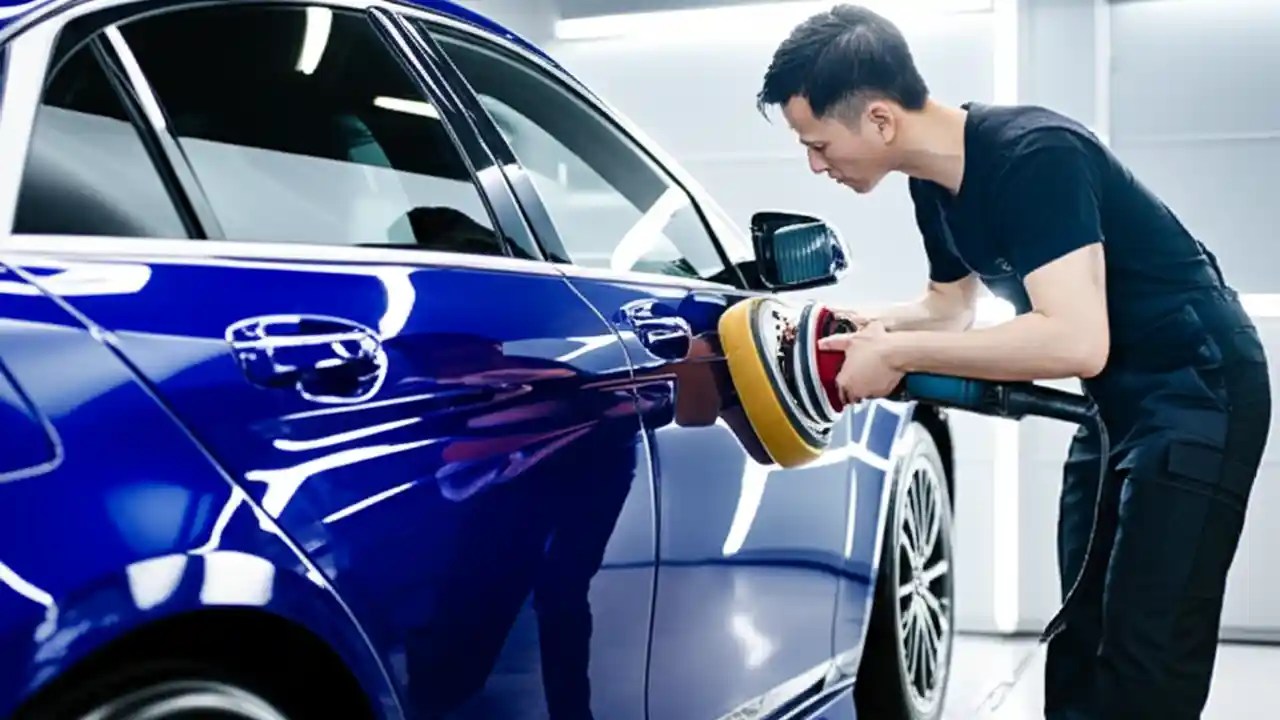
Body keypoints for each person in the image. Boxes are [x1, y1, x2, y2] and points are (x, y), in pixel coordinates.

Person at [755, 5, 1271, 719]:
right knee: (1082, 632)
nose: (815, 164)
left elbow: (1074, 339)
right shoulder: (931, 186)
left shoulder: (1035, 156)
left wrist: (898, 354)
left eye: (817, 143)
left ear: (879, 120)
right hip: (1116, 404)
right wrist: (842, 326)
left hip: (1202, 389)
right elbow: (947, 309)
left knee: (1146, 644)